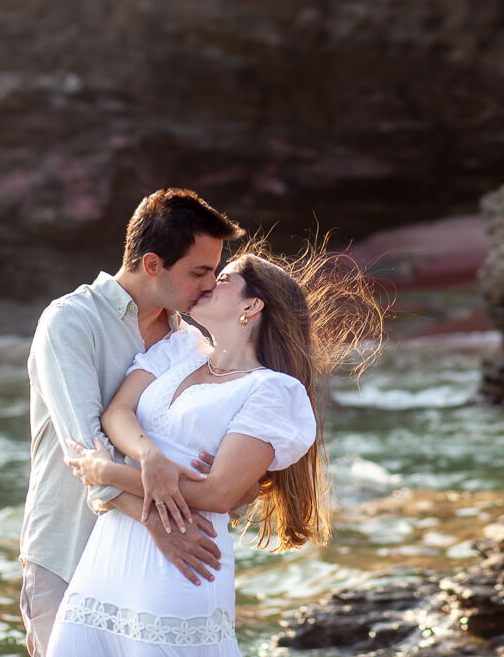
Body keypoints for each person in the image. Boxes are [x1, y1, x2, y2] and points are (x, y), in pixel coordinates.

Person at [46, 242, 383, 657]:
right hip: (105, 561)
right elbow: (119, 412)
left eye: (223, 280)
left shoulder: (272, 390)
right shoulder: (181, 348)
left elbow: (218, 493)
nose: (207, 284)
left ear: (252, 305)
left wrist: (109, 474)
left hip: (179, 567)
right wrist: (151, 457)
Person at [20, 187, 245, 657]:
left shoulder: (187, 339)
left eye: (214, 273)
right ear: (151, 265)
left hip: (152, 568)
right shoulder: (70, 321)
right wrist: (163, 526)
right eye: (198, 273)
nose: (208, 287)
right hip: (71, 549)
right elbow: (84, 449)